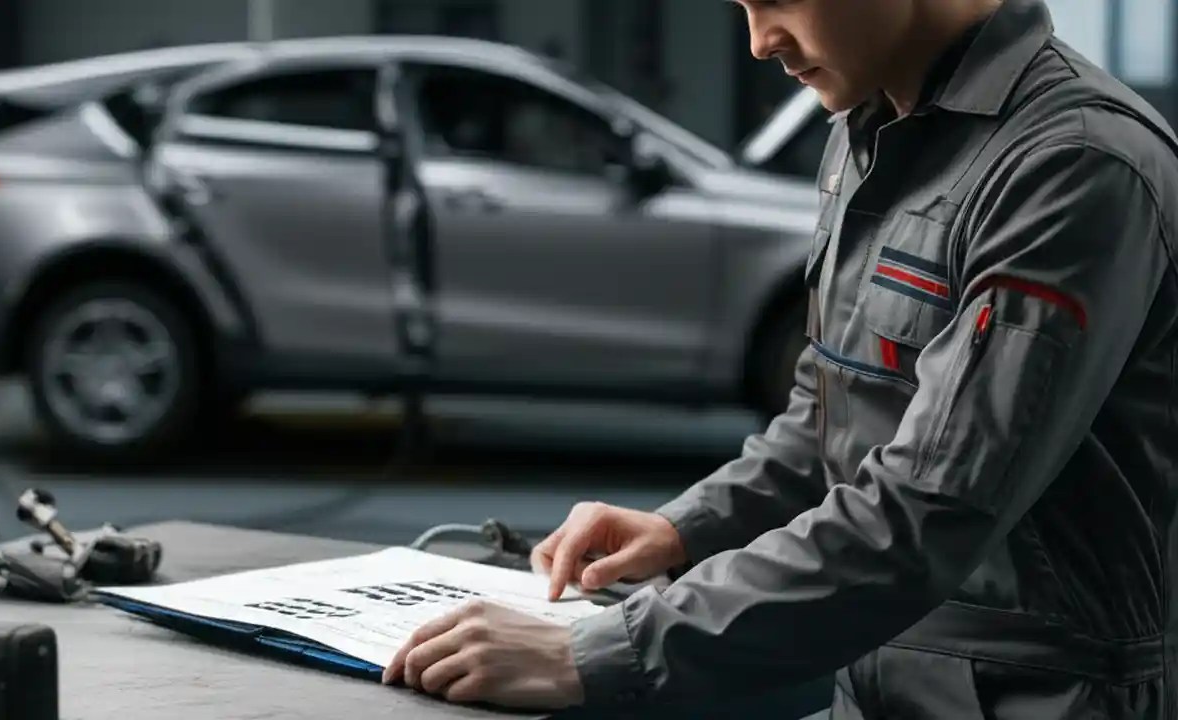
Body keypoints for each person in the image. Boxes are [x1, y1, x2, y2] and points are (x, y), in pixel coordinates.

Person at [383, 0, 1178, 715]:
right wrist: (684, 528)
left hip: (1042, 695)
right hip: (871, 670)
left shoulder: (1073, 166)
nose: (760, 41)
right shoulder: (865, 132)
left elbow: (932, 507)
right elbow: (827, 419)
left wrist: (594, 652)